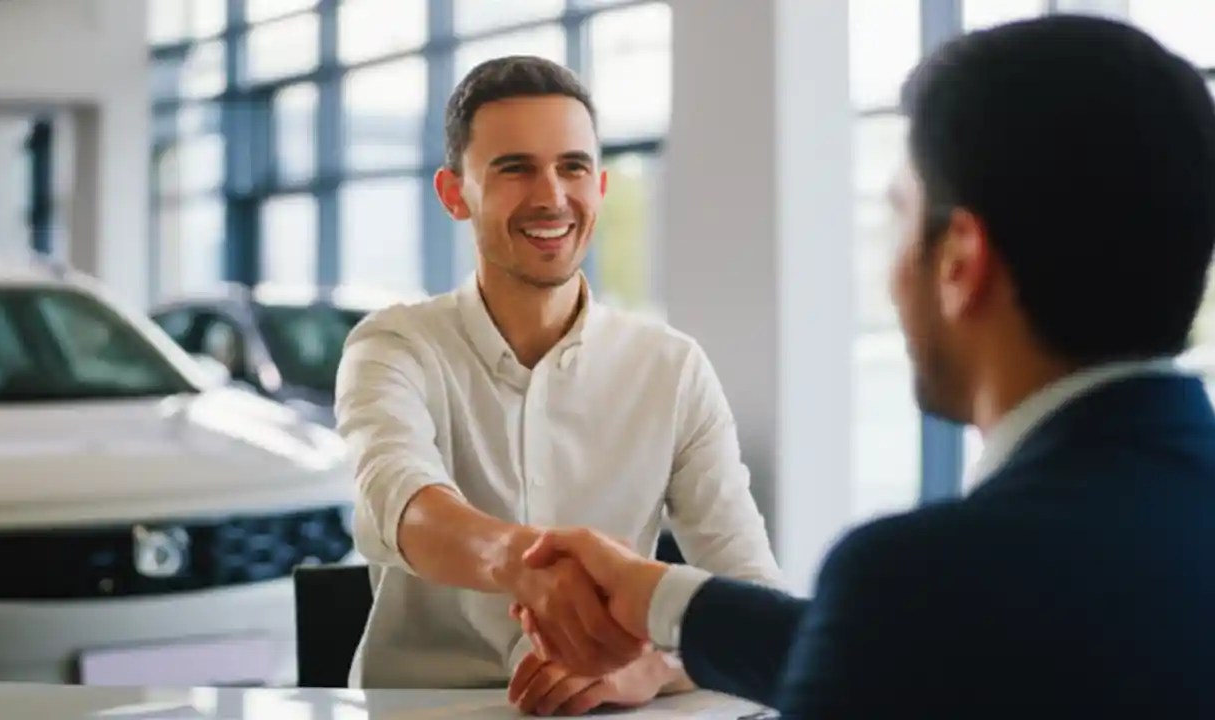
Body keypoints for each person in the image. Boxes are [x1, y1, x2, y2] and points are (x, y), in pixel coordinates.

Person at [512, 15, 1215, 717]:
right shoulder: (975, 599)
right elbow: (928, 651)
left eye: (899, 219)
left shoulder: (921, 583)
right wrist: (661, 599)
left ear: (960, 261)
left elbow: (914, 637)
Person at [333, 55, 783, 713]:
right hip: (424, 707)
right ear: (454, 193)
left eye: (572, 167)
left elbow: (752, 591)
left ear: (599, 186)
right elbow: (400, 501)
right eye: (514, 168)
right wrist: (526, 566)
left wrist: (654, 669)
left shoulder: (670, 367)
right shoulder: (393, 346)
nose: (551, 196)